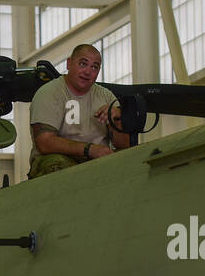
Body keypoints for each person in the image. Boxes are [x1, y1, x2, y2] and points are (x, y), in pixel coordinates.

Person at [27, 43, 131, 178]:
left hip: (99, 160)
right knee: (57, 165)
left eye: (94, 67)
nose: (88, 72)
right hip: (57, 160)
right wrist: (89, 150)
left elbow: (125, 145)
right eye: (83, 64)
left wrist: (117, 119)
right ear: (69, 64)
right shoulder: (49, 93)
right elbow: (45, 142)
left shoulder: (107, 97)